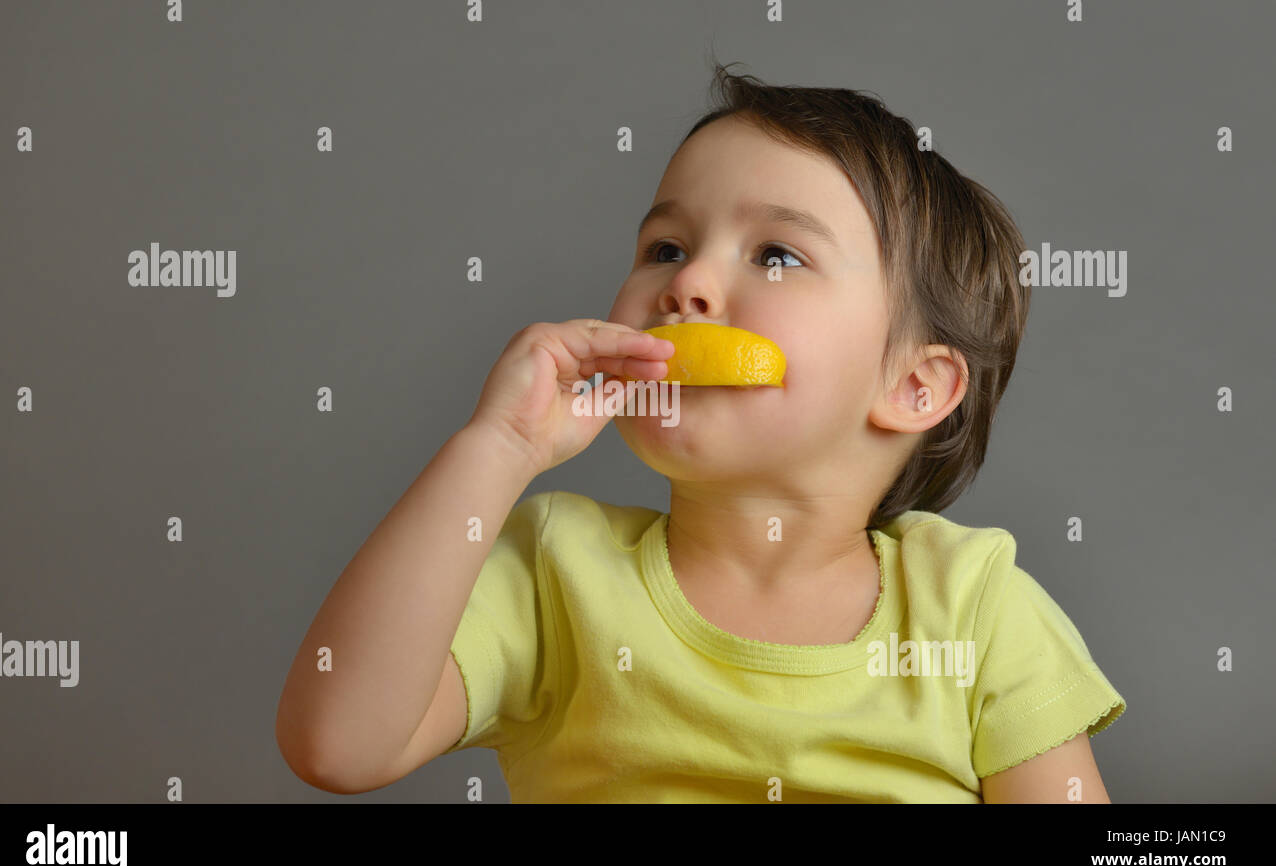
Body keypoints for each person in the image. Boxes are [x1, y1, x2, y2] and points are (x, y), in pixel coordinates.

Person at [275, 63, 1125, 803]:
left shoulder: (975, 611)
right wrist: (495, 449)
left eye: (777, 256)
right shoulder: (555, 573)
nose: (689, 288)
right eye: (667, 247)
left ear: (912, 385)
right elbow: (339, 746)